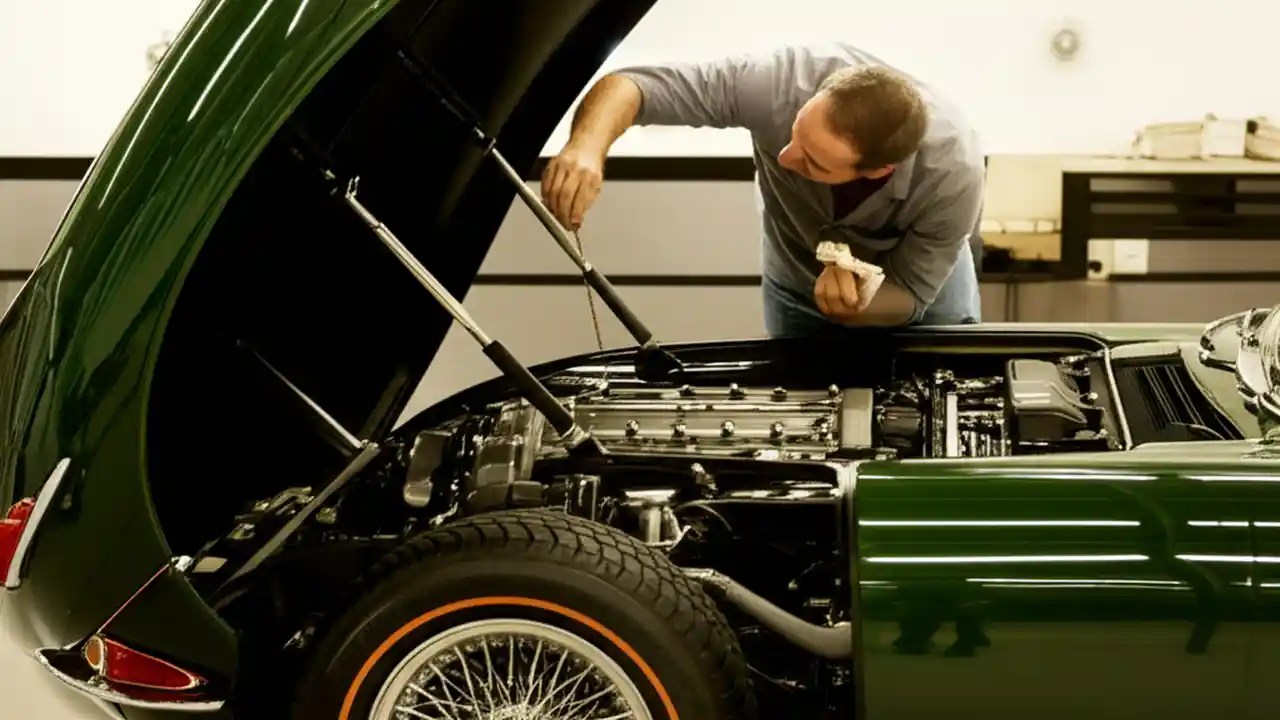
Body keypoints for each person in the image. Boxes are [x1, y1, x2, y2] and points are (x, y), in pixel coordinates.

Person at [541, 42, 986, 336]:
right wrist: (586, 146)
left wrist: (859, 308)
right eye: (795, 134)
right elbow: (635, 87)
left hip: (923, 299)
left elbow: (909, 292)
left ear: (876, 172)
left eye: (814, 163)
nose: (786, 159)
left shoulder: (953, 172)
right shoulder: (776, 84)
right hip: (795, 285)